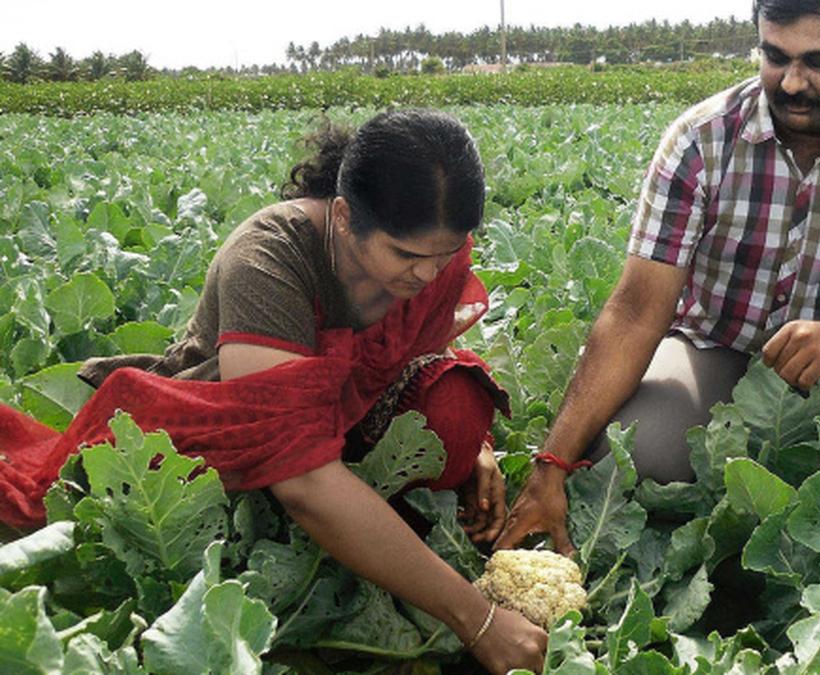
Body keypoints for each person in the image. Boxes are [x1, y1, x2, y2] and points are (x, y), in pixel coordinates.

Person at [0, 110, 546, 674]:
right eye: (407, 256)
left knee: (457, 412)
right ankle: (367, 535)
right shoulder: (268, 258)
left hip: (338, 414)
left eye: (445, 254)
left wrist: (478, 444)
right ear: (343, 215)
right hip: (219, 431)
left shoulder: (428, 257)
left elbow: (420, 351)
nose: (428, 276)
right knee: (242, 520)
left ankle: (375, 533)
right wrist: (475, 617)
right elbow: (300, 476)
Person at [495, 0, 820, 555]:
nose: (791, 82)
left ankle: (809, 466)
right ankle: (803, 464)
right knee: (630, 456)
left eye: (818, 61)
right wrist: (551, 463)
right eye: (774, 56)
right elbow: (636, 311)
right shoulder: (701, 138)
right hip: (719, 356)